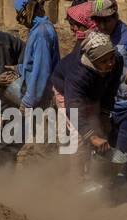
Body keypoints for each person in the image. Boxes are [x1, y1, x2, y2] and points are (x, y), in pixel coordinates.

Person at [51, 29, 122, 169]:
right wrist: (91, 136)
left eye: (111, 58)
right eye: (104, 61)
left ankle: (95, 177)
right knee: (79, 138)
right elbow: (73, 108)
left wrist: (104, 113)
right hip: (66, 92)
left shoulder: (117, 60)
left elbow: (111, 89)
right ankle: (76, 183)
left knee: (99, 129)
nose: (110, 63)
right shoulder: (78, 74)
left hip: (92, 93)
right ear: (93, 62)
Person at [93, 0, 127, 182]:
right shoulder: (99, 40)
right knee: (109, 151)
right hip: (109, 108)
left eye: (106, 20)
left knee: (123, 151)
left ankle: (125, 188)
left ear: (115, 16)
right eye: (98, 21)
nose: (102, 25)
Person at [13, 0, 59, 112]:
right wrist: (19, 68)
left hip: (42, 101)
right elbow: (34, 63)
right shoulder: (39, 28)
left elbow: (41, 71)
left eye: (20, 15)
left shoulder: (41, 33)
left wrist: (27, 102)